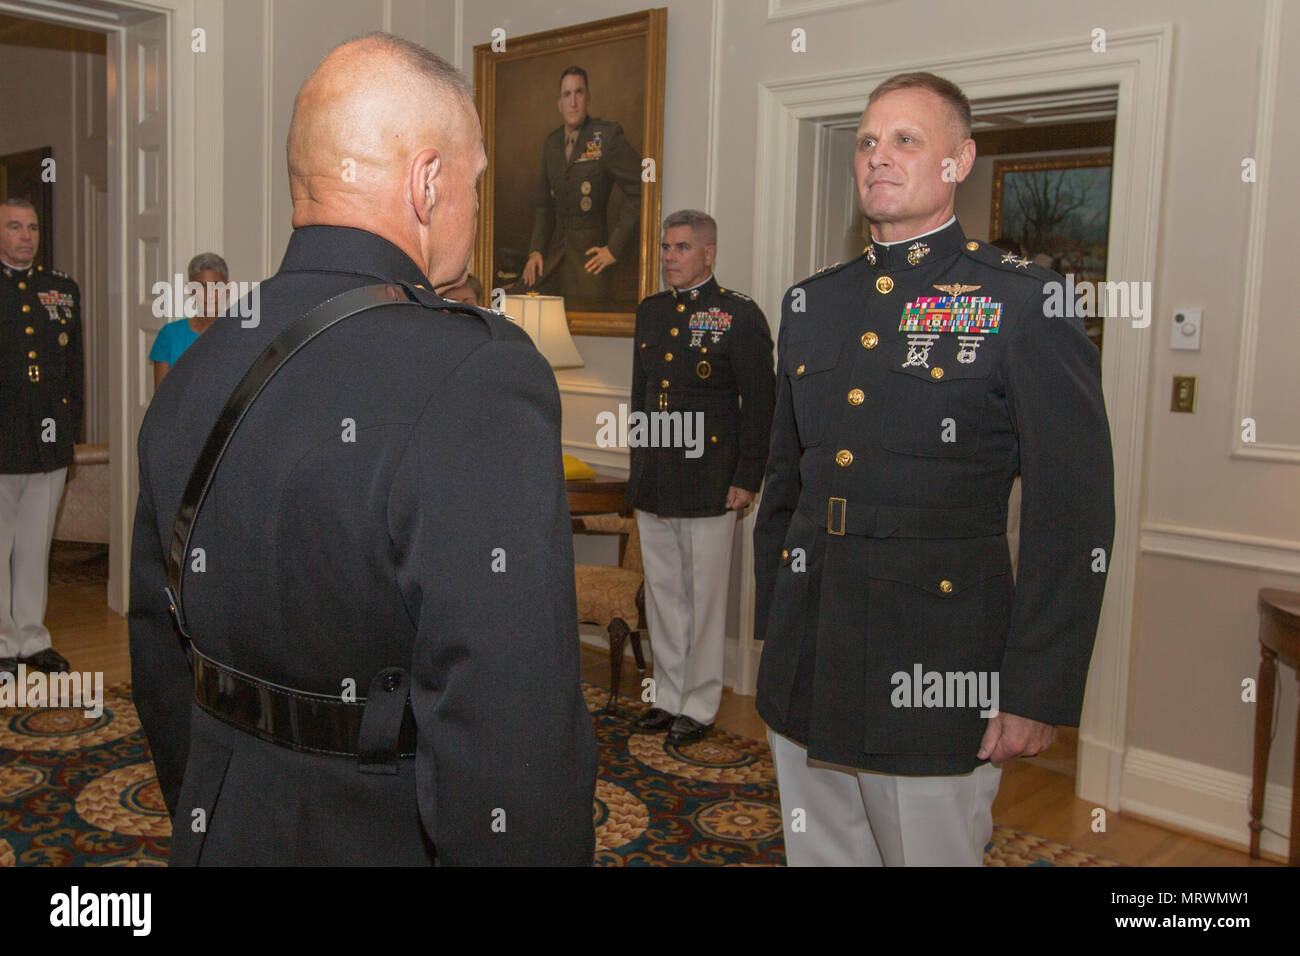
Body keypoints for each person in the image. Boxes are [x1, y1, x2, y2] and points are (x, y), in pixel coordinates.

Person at [128, 33, 597, 865]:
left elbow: (161, 656)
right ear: (426, 180)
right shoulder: (477, 373)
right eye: (475, 181)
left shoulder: (198, 366)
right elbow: (508, 719)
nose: (478, 207)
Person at [753, 72, 1114, 866]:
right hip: (810, 651)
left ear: (960, 160)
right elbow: (787, 482)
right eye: (868, 142)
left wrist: (1034, 689)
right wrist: (772, 629)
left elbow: (1072, 515)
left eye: (906, 140)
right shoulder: (812, 305)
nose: (880, 157)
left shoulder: (1021, 304)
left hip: (935, 664)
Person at [628, 210, 775, 745]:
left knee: (705, 597)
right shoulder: (651, 312)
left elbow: (761, 405)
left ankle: (702, 702)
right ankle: (667, 695)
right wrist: (638, 467)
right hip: (657, 476)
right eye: (666, 247)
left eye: (682, 248)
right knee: (664, 594)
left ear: (708, 254)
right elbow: (640, 395)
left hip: (713, 479)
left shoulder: (737, 314)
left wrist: (748, 476)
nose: (670, 257)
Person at [0, 197, 82, 678]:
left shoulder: (61, 290)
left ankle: (31, 638)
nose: (26, 236)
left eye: (31, 227)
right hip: (3, 443)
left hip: (48, 443)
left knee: (35, 546)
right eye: (13, 227)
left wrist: (71, 435)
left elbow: (74, 370)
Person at [519, 66, 642, 311]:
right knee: (522, 305)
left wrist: (614, 248)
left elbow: (641, 189)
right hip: (556, 256)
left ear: (588, 99)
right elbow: (544, 205)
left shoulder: (604, 137)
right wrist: (535, 251)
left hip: (590, 261)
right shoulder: (552, 144)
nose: (573, 102)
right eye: (567, 95)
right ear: (559, 103)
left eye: (579, 93)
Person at [150, 252, 230, 387]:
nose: (209, 294)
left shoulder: (240, 334)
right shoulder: (170, 335)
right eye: (201, 287)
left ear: (227, 289)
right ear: (191, 289)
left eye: (216, 286)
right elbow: (161, 398)